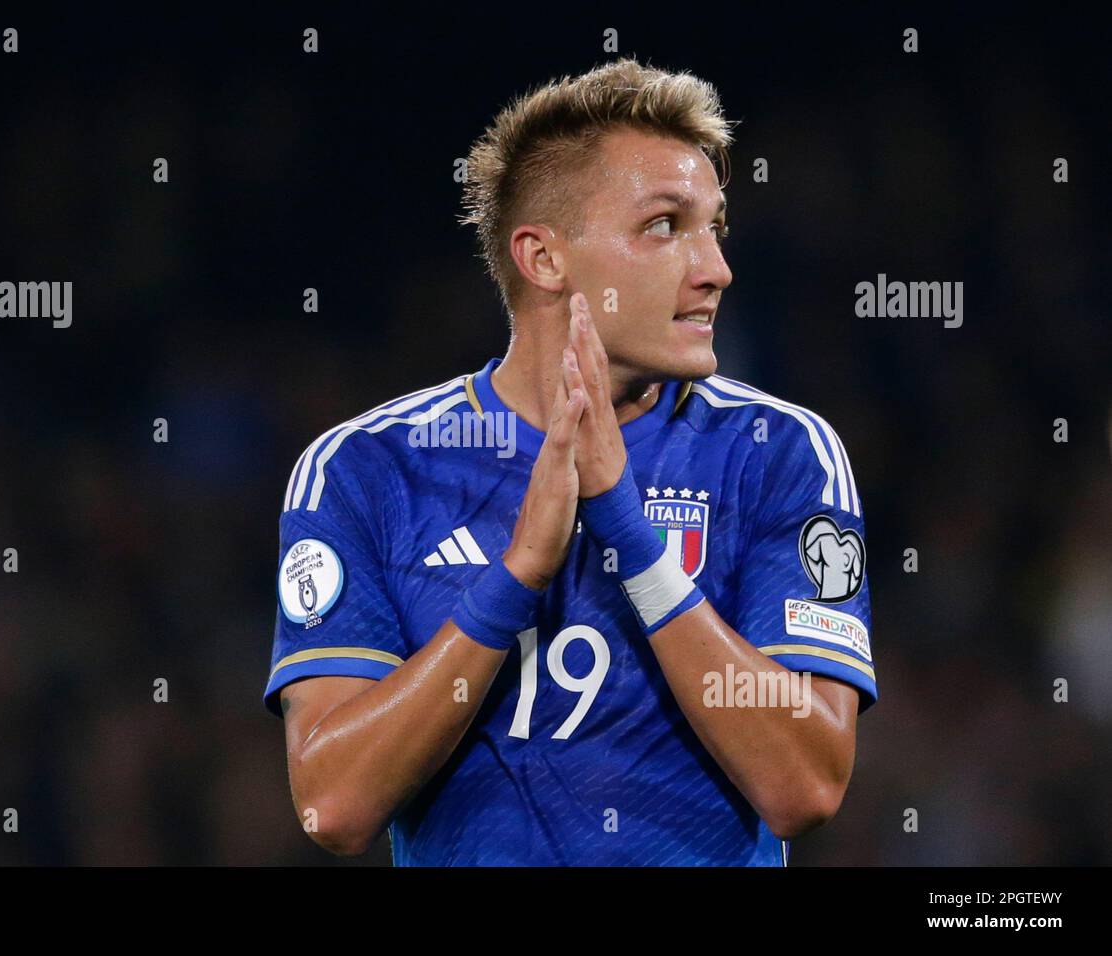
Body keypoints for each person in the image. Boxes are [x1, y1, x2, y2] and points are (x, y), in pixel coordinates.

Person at [266, 58, 876, 865]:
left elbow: (806, 788)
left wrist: (628, 532)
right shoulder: (367, 471)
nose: (715, 270)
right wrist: (515, 578)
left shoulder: (779, 454)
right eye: (665, 226)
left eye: (715, 228)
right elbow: (335, 807)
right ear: (544, 258)